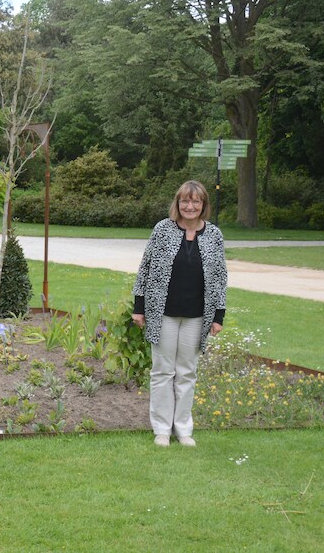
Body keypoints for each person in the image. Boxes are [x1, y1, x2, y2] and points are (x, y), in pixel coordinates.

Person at [132, 180, 227, 448]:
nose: (190, 206)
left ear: (203, 205)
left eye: (196, 201)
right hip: (163, 313)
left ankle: (183, 429)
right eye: (185, 201)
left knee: (187, 372)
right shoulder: (162, 230)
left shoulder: (214, 235)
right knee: (162, 371)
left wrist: (218, 315)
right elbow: (145, 269)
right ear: (178, 203)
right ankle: (161, 429)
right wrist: (139, 308)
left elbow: (220, 277)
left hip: (197, 315)